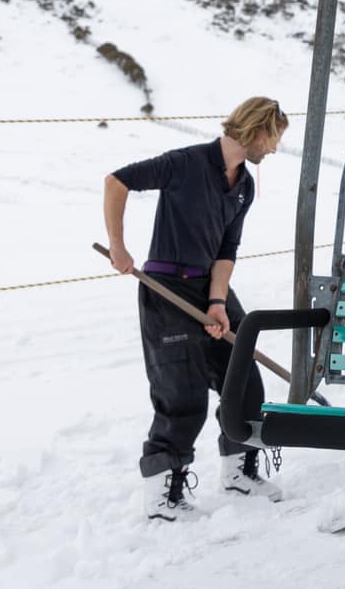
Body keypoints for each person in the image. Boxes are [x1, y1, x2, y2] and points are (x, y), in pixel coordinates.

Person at [105, 96, 289, 521]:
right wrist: (118, 245)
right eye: (273, 138)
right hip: (166, 288)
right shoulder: (185, 163)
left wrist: (218, 301)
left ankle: (239, 473)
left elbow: (227, 249)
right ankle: (162, 498)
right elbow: (117, 182)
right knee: (182, 393)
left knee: (244, 379)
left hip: (209, 286)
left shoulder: (244, 186)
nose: (274, 148)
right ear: (256, 129)